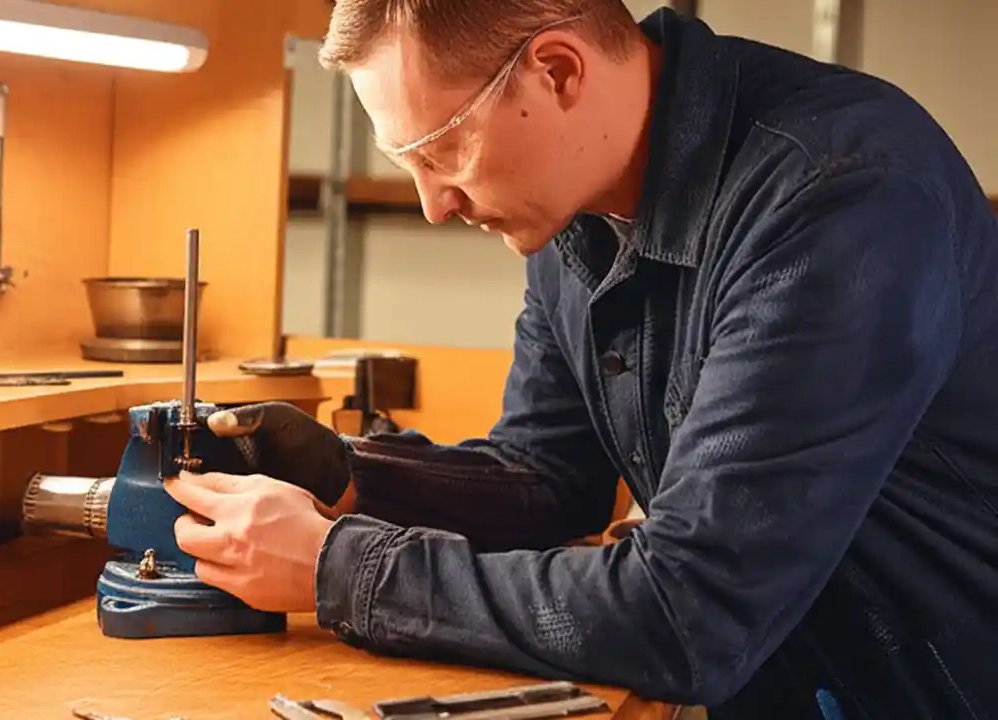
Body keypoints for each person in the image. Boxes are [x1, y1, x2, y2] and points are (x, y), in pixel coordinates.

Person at [163, 3, 998, 718]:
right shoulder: (578, 206)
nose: (434, 204)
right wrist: (347, 479)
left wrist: (338, 566)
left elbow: (691, 613)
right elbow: (548, 480)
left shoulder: (838, 195)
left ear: (558, 72)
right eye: (405, 165)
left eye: (441, 152)